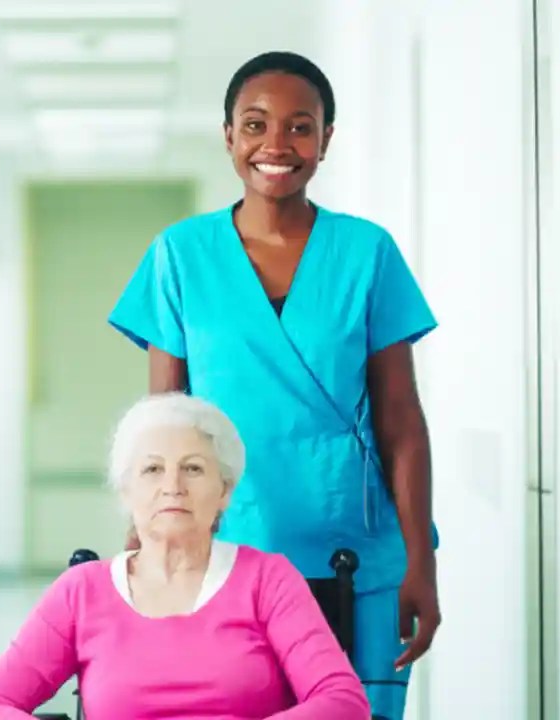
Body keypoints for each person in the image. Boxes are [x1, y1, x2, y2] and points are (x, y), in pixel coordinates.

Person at [107, 51, 440, 720]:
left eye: (300, 127)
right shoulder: (181, 255)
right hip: (225, 546)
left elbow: (401, 421)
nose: (276, 146)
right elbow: (163, 423)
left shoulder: (366, 252)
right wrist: (147, 542)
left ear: (326, 140)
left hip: (357, 548)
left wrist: (419, 562)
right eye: (255, 125)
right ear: (228, 135)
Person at [0, 393, 371, 719]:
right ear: (126, 491)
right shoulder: (81, 592)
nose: (172, 486)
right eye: (152, 470)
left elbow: (343, 702)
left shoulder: (268, 580)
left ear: (224, 491)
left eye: (193, 469)